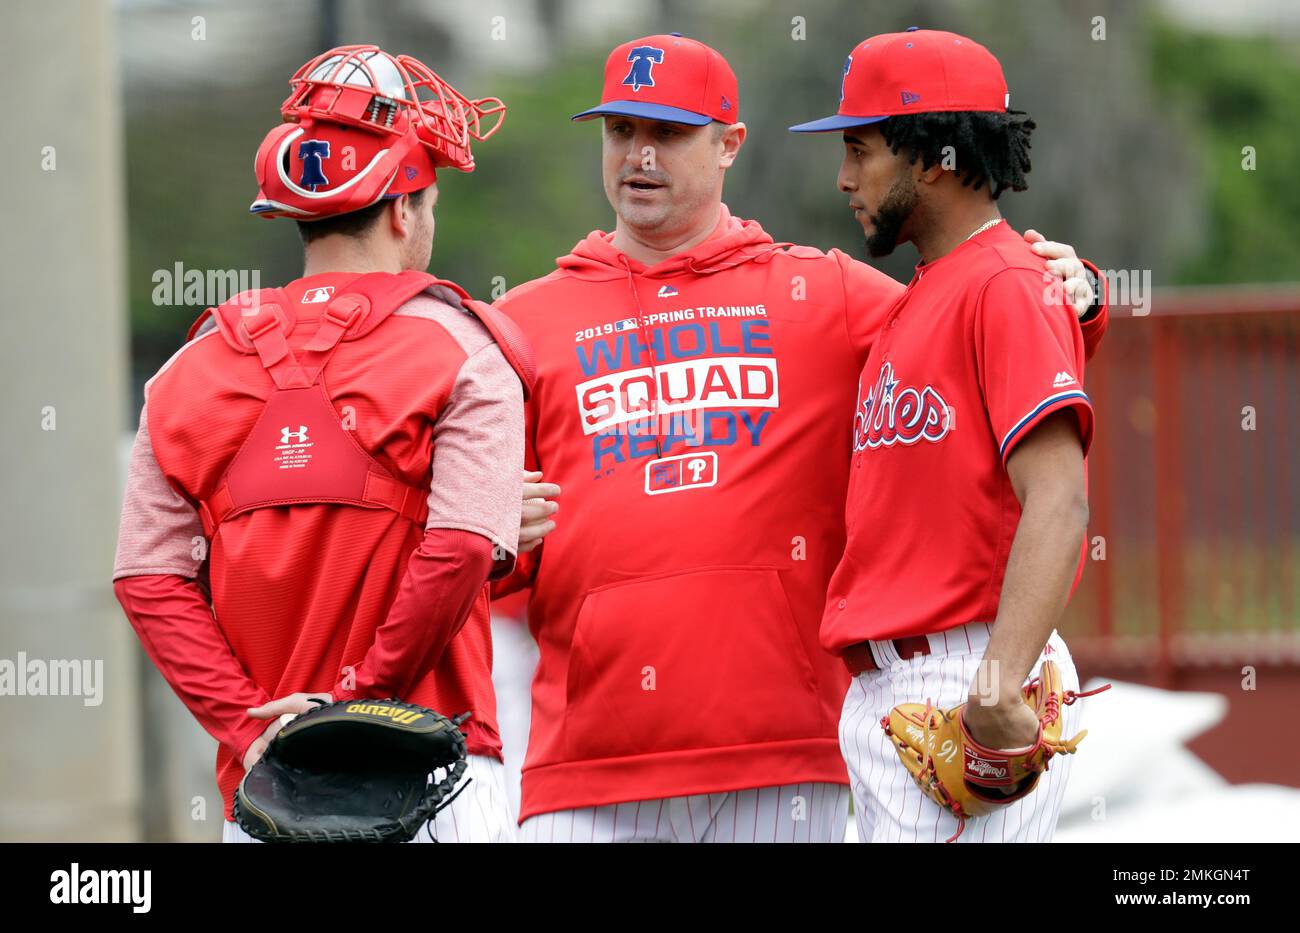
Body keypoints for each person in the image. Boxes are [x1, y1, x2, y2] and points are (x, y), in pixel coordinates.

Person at [493, 33, 1107, 842]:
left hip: (785, 751)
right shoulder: (521, 323)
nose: (639, 155)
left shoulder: (824, 292)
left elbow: (985, 342)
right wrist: (491, 533)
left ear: (727, 146)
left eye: (669, 132)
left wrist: (1081, 295)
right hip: (589, 755)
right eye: (620, 131)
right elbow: (474, 544)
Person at [112, 45, 529, 843]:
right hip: (433, 772)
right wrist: (353, 705)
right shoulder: (464, 346)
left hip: (266, 790)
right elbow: (461, 551)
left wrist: (251, 725)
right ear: (404, 209)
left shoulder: (185, 368)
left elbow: (147, 578)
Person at [790, 27, 1103, 843]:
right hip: (907, 677)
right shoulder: (931, 291)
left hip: (965, 665)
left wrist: (998, 683)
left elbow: (1060, 502)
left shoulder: (1001, 281)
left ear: (932, 158)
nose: (845, 176)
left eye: (862, 150)